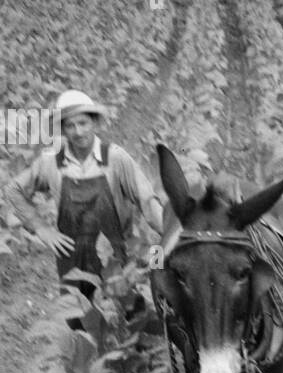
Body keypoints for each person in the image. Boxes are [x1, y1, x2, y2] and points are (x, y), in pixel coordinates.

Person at [2, 89, 163, 299]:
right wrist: (41, 228)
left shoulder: (116, 158)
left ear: (94, 123)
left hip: (119, 261)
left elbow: (148, 203)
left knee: (125, 318)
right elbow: (13, 190)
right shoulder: (50, 162)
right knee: (80, 324)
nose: (78, 132)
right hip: (72, 265)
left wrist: (168, 241)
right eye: (70, 125)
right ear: (62, 129)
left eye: (83, 123)